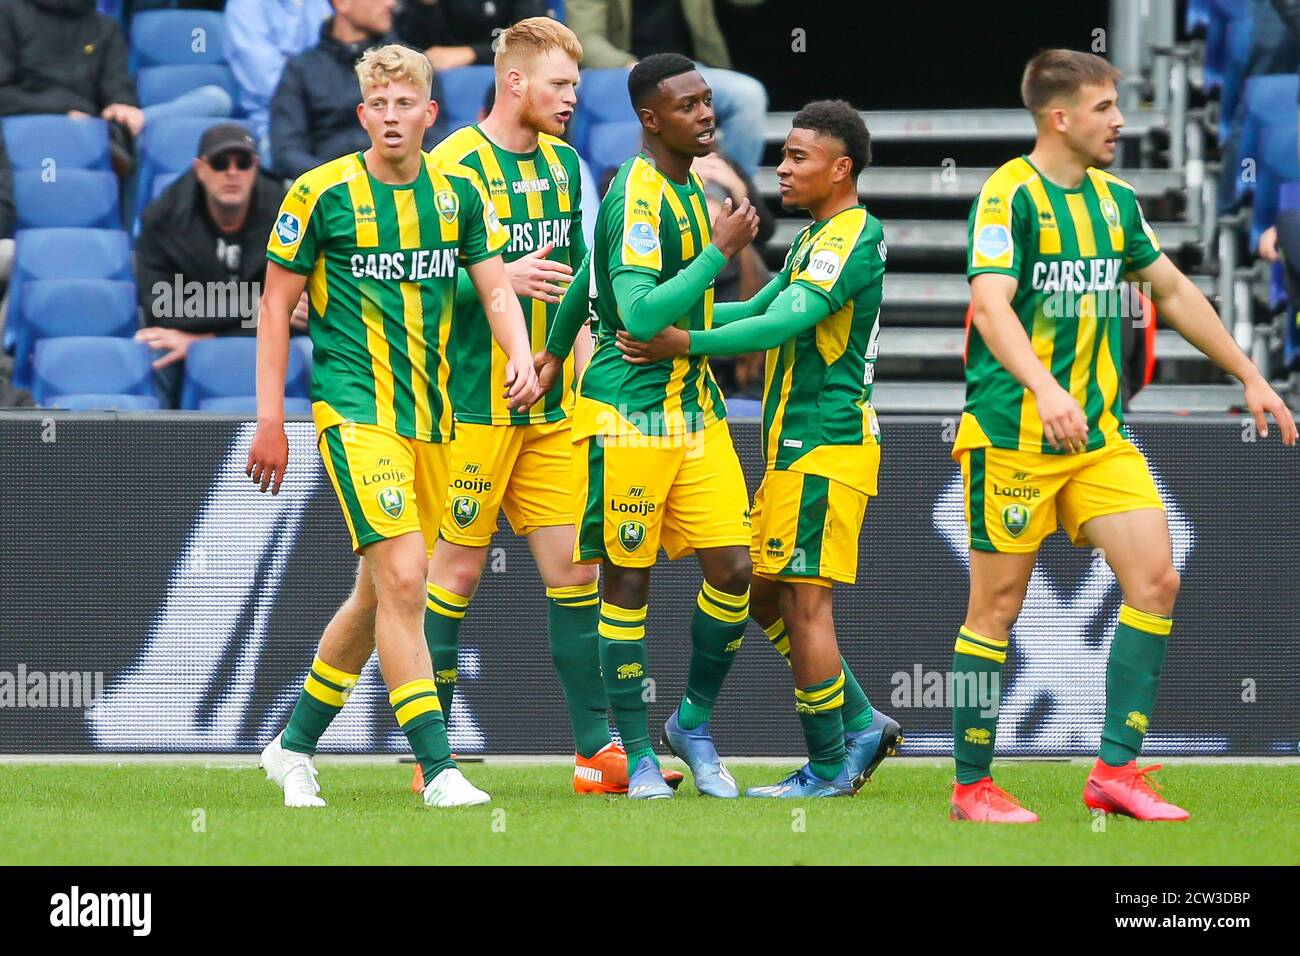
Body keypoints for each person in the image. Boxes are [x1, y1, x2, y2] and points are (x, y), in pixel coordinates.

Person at [950, 50, 1297, 823]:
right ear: (1060, 117)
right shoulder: (1008, 194)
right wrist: (1043, 389)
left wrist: (1249, 374)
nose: (1120, 121)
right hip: (1013, 437)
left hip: (1097, 438)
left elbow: (1171, 289)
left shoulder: (1114, 201)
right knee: (994, 613)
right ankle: (971, 785)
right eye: (1105, 108)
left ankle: (1115, 770)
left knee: (1156, 580)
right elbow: (992, 305)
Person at [247, 43, 541, 809]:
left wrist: (518, 355)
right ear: (361, 115)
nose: (390, 117)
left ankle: (293, 744)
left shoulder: (458, 197)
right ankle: (439, 769)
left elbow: (498, 288)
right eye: (377, 106)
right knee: (408, 579)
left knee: (379, 593)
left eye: (404, 104)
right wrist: (270, 419)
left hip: (435, 422)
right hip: (354, 411)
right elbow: (276, 305)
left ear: (429, 114)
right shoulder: (320, 193)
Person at [417, 16, 682, 796]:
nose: (574, 98)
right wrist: (494, 282)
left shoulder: (568, 168)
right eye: (562, 84)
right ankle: (435, 756)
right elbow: (420, 284)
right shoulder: (453, 165)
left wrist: (596, 389)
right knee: (456, 575)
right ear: (515, 83)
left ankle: (593, 752)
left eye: (576, 83)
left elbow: (586, 296)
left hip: (557, 405)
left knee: (575, 571)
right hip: (471, 405)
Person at [617, 100, 903, 797]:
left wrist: (684, 343)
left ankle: (830, 764)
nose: (781, 166)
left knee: (804, 608)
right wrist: (659, 313)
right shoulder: (816, 238)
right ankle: (860, 722)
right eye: (783, 152)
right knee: (762, 594)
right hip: (795, 453)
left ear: (841, 168)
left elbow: (785, 323)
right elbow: (754, 307)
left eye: (798, 156)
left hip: (824, 448)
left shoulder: (846, 240)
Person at [538, 53, 759, 800]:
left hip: (695, 413)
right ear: (649, 117)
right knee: (625, 583)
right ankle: (635, 756)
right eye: (689, 104)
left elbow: (592, 283)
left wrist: (778, 306)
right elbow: (634, 314)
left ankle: (690, 723)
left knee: (734, 567)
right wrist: (718, 253)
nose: (706, 114)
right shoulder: (637, 196)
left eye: (707, 101)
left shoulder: (691, 187)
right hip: (630, 415)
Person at [134, 124, 288, 408]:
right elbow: (163, 305)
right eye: (220, 163)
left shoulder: (285, 214)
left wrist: (204, 339)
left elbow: (301, 314)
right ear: (200, 169)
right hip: (247, 328)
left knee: (314, 349)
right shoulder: (164, 217)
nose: (232, 172)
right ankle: (161, 451)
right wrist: (263, 306)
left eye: (242, 163)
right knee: (156, 355)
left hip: (263, 338)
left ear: (255, 166)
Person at [0, 0, 232, 175]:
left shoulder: (105, 27)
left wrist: (121, 105)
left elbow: (117, 85)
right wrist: (63, 113)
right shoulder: (8, 11)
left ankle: (113, 137)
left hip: (95, 126)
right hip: (31, 125)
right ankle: (109, 138)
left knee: (216, 99)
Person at [568, 0, 768, 176]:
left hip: (688, 71)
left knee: (748, 96)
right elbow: (584, 39)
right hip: (623, 74)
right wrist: (631, 67)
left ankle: (730, 194)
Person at [271, 0, 449, 180]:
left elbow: (435, 139)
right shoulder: (301, 70)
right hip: (332, 196)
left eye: (403, 103)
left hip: (403, 188)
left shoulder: (414, 65)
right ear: (342, 3)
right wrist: (343, 182)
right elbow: (286, 152)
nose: (390, 3)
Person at [224, 0, 333, 157]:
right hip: (273, 124)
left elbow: (334, 64)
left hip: (328, 118)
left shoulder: (319, 4)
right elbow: (272, 84)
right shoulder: (245, 5)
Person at [395, 0, 547, 72]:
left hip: (510, 71)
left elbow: (531, 41)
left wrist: (472, 53)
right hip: (440, 74)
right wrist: (425, 8)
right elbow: (410, 44)